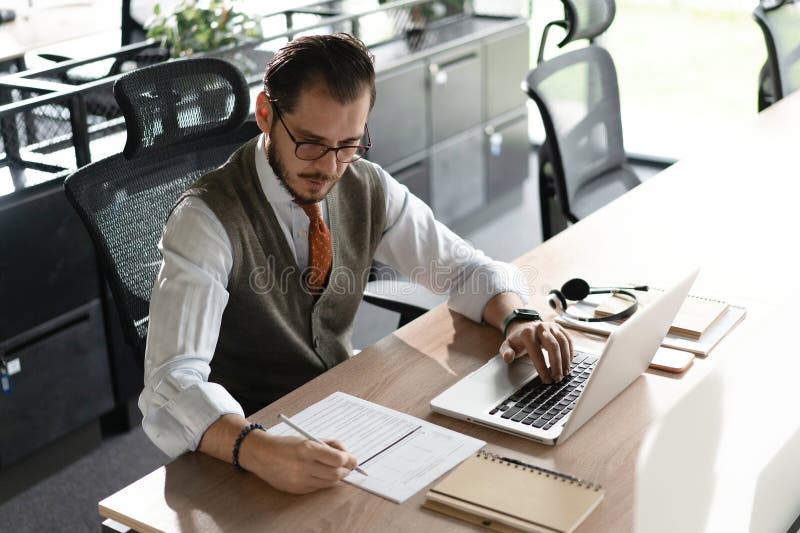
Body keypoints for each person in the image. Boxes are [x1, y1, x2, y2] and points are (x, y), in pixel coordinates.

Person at [140, 33, 573, 494]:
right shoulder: (205, 219)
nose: (330, 167)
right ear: (265, 114)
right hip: (244, 442)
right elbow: (172, 382)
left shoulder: (365, 183)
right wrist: (258, 448)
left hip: (339, 410)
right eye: (310, 143)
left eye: (348, 143)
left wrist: (517, 316)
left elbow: (462, 267)